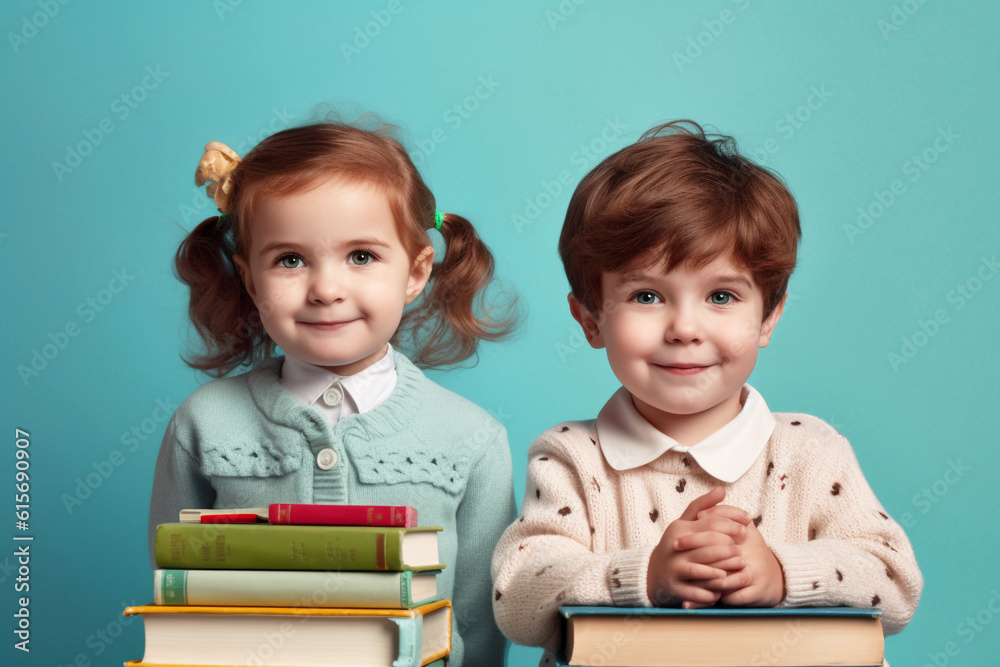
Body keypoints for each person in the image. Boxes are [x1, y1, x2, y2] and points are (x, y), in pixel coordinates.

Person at [491, 120, 922, 663]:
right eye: (647, 296)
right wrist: (643, 573)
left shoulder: (812, 450)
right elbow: (519, 595)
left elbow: (895, 580)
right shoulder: (571, 456)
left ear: (769, 316)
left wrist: (782, 573)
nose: (685, 328)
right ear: (591, 318)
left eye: (721, 296)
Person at [147, 119, 518, 667]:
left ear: (415, 272)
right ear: (251, 280)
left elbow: (478, 623)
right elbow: (178, 593)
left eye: (361, 256)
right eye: (290, 260)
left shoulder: (471, 438)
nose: (325, 290)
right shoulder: (202, 424)